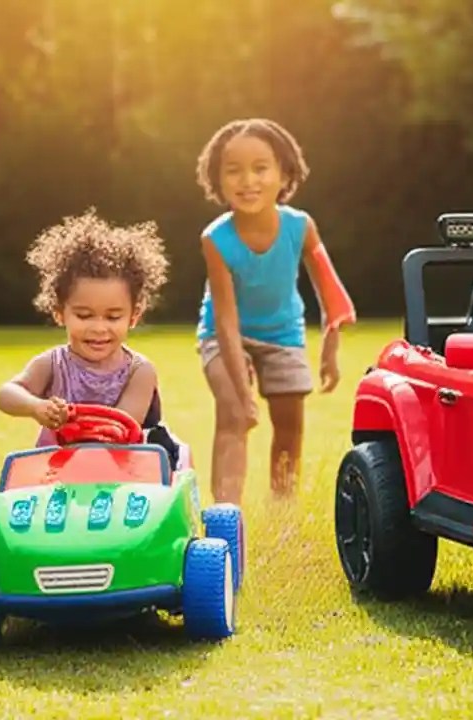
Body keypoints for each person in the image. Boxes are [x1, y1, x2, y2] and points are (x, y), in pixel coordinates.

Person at [194, 118, 356, 504]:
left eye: (260, 168)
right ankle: (225, 512)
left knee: (288, 424)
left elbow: (329, 290)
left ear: (284, 174)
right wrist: (240, 384)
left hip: (282, 335)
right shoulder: (216, 239)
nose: (247, 180)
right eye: (233, 171)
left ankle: (283, 509)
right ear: (217, 180)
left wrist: (330, 350)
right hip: (223, 337)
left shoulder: (300, 226)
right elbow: (226, 319)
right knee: (234, 413)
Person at [0, 209, 170, 448]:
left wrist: (74, 420)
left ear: (133, 317)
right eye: (84, 315)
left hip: (122, 474)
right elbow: (6, 394)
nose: (99, 328)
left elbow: (122, 429)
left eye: (113, 317)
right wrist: (36, 407)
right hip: (55, 473)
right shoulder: (52, 364)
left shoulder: (139, 372)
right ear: (60, 313)